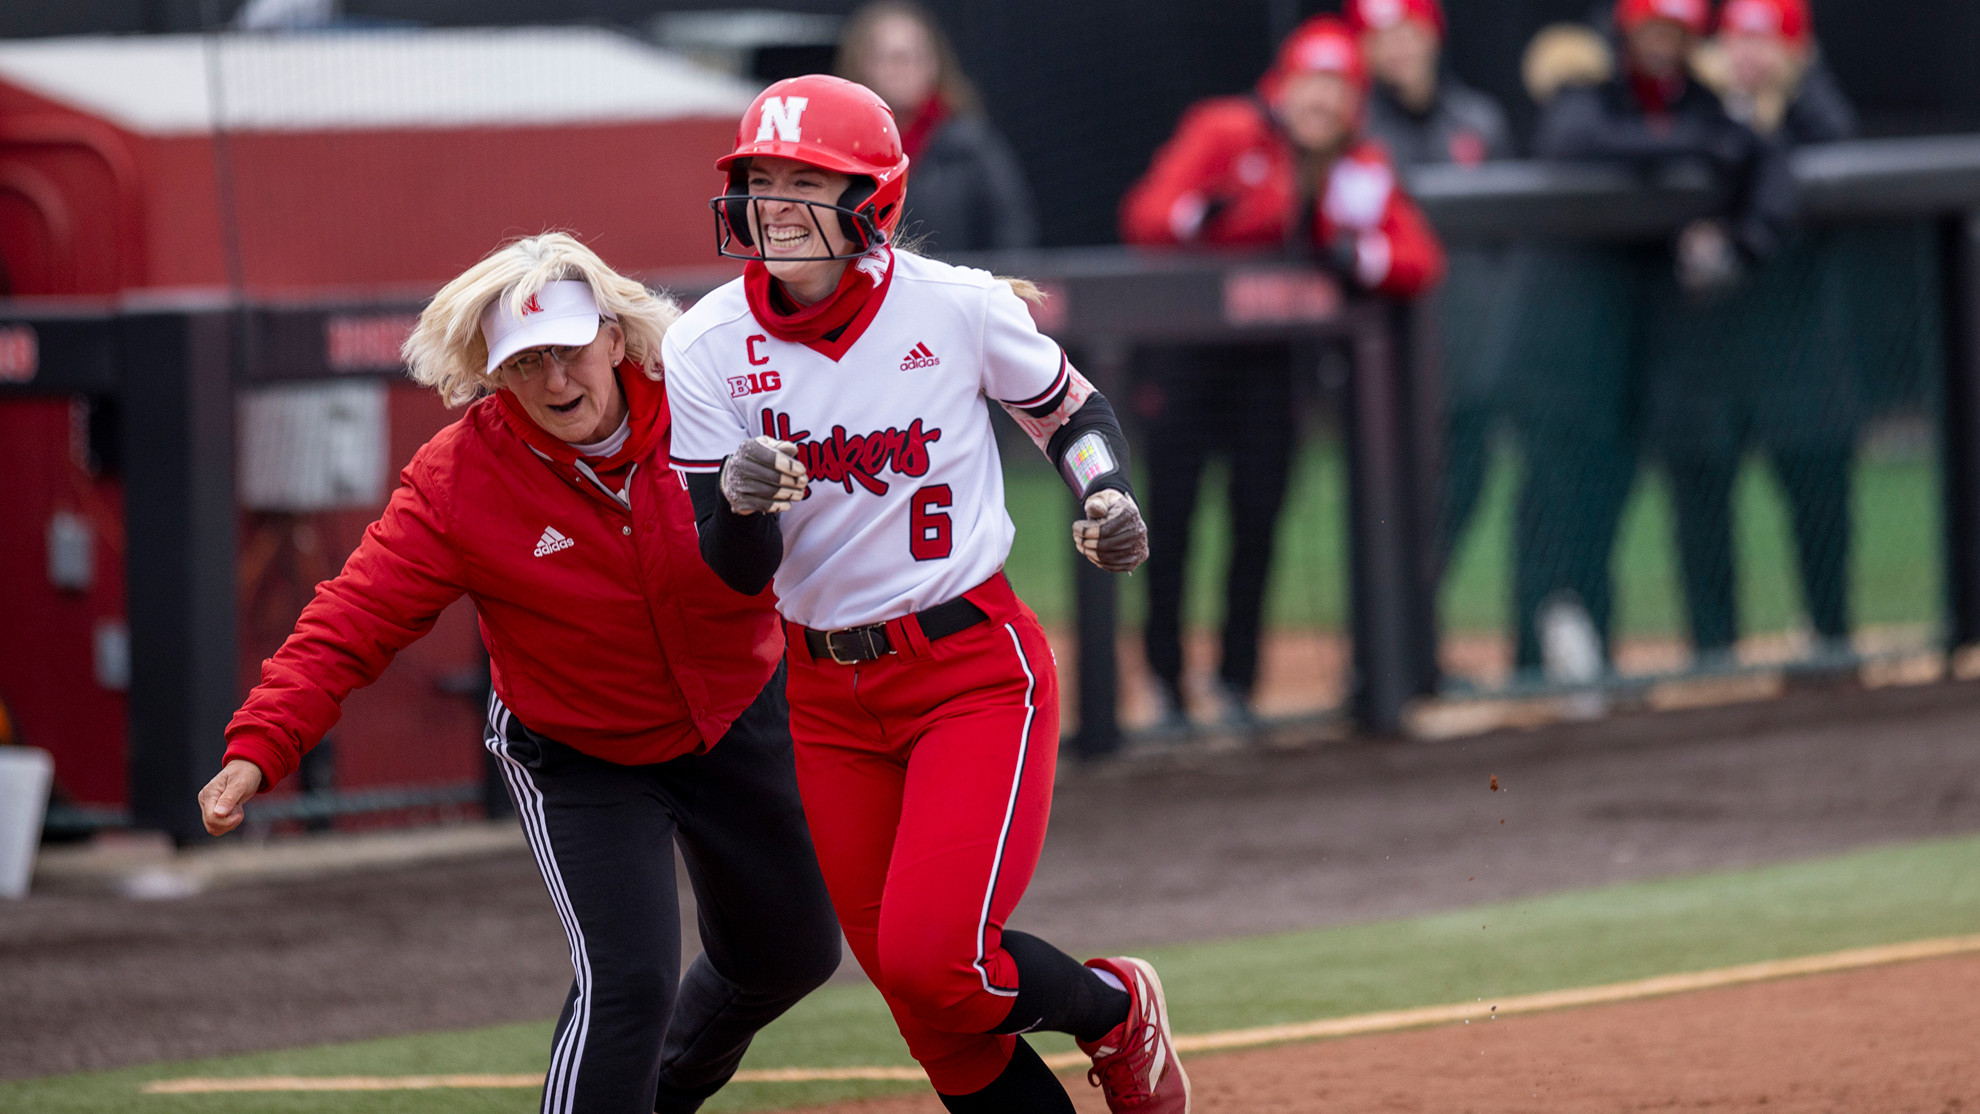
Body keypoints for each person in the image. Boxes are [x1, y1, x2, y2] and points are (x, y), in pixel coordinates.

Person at [195, 234, 841, 1114]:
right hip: (579, 749)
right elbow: (355, 616)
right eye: (525, 362)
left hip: (735, 713)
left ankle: (658, 1098)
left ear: (615, 337)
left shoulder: (711, 406)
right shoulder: (460, 477)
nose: (554, 382)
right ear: (494, 374)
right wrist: (260, 743)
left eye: (568, 351)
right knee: (629, 984)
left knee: (793, 953)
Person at [663, 75, 1184, 1113]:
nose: (774, 203)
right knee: (932, 1020)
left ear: (876, 199)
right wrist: (742, 505)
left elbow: (1072, 414)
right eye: (760, 178)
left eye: (808, 180)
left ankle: (1115, 1009)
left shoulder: (956, 305)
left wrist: (1109, 493)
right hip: (821, 695)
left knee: (935, 963)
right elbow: (730, 571)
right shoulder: (705, 343)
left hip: (970, 669)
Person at [1119, 15, 1444, 727]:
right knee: (1168, 520)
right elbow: (1148, 216)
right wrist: (1238, 212)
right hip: (1188, 357)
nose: (1321, 103)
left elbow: (1418, 259)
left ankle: (1237, 682)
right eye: (1312, 85)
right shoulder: (1225, 129)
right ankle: (1166, 682)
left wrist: (1362, 254)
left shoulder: (1356, 166)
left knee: (1258, 521)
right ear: (1286, 84)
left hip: (1274, 371)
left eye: (1338, 89)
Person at [1645, 0, 1860, 663]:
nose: (1749, 55)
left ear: (1795, 52)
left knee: (1820, 500)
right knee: (1701, 508)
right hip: (1705, 349)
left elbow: (1832, 150)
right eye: (1738, 40)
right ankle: (1714, 652)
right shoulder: (1696, 106)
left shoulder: (1814, 113)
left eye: (1765, 43)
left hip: (1798, 348)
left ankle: (1830, 641)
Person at [1345, 0, 1517, 573]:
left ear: (1433, 35)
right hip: (1383, 360)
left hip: (1470, 353)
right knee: (1386, 507)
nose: (1396, 47)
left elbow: (1509, 247)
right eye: (1381, 36)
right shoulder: (1353, 128)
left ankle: (1421, 643)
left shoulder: (1480, 123)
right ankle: (1382, 654)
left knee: (1462, 496)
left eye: (1407, 33)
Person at [836, 0, 1038, 253]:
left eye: (912, 57)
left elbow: (1011, 231)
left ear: (934, 64)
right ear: (861, 66)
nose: (901, 70)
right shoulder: (842, 151)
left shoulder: (971, 146)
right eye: (889, 58)